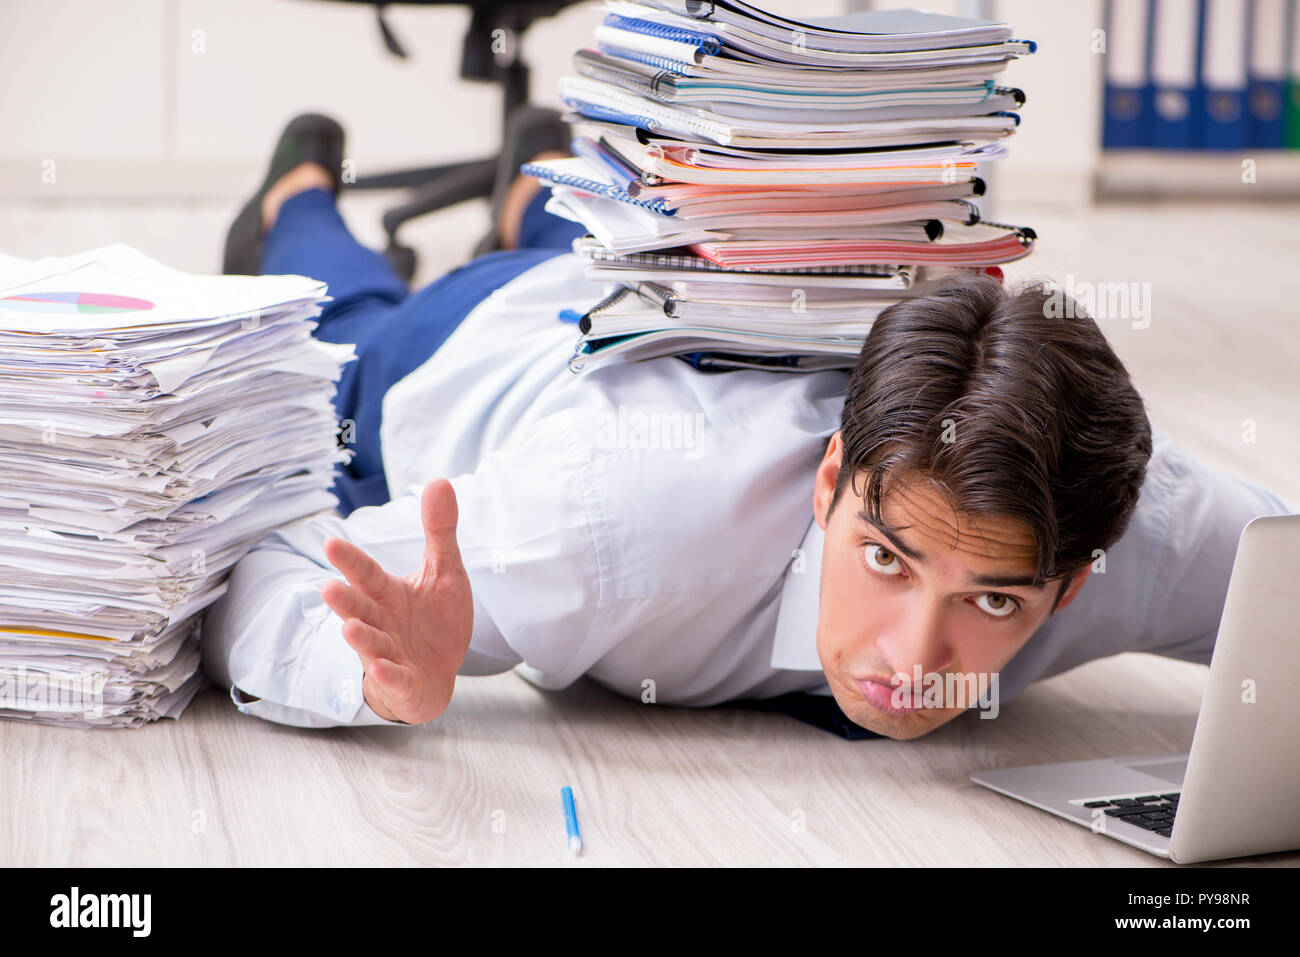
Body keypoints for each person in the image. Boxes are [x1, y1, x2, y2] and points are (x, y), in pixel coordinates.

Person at [200, 112, 1293, 740]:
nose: (914, 661)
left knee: (578, 245)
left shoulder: (1152, 532)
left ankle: (535, 190)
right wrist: (374, 679)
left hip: (663, 341)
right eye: (885, 557)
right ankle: (297, 191)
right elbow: (266, 565)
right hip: (483, 355)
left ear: (1073, 586)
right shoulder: (592, 534)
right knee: (340, 312)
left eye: (995, 599)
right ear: (830, 484)